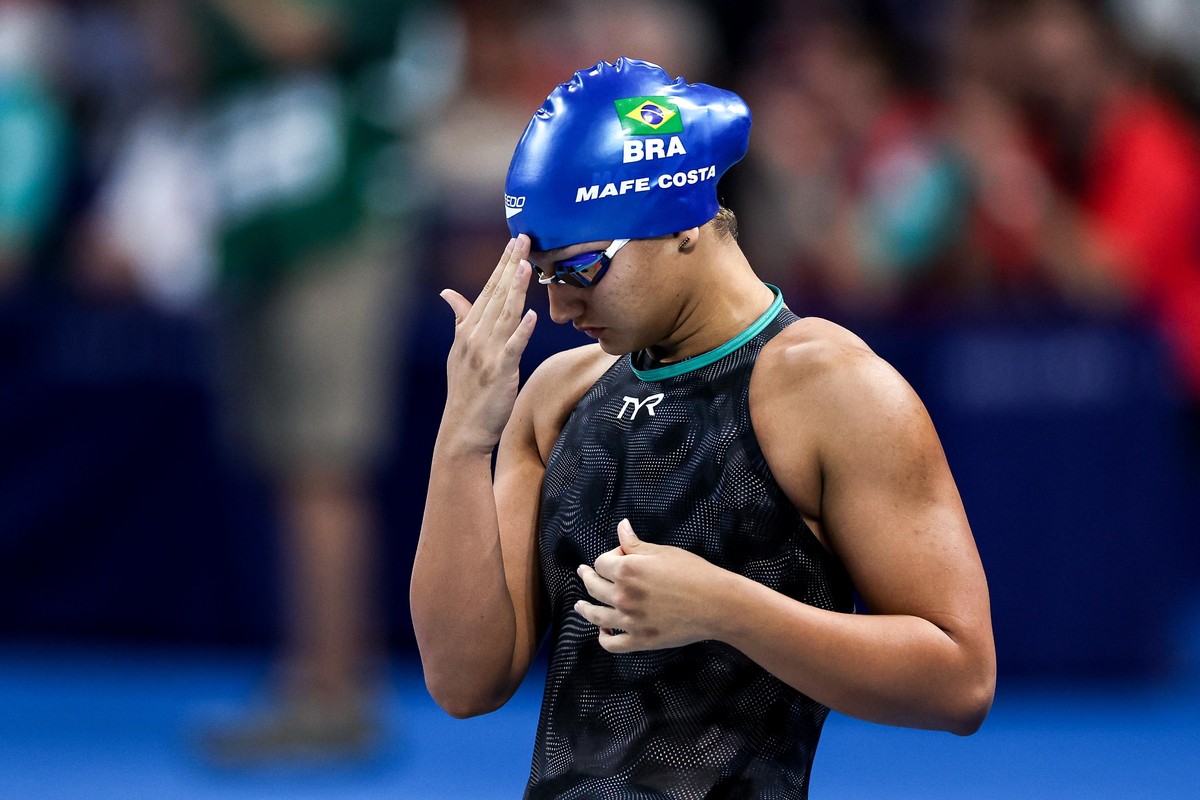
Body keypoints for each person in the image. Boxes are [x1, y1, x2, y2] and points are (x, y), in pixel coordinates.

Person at [410, 57, 995, 797]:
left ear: (683, 222)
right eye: (547, 278)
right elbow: (464, 683)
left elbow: (962, 680)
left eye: (582, 268)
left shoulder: (835, 389)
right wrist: (464, 436)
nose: (560, 311)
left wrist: (727, 609)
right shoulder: (559, 395)